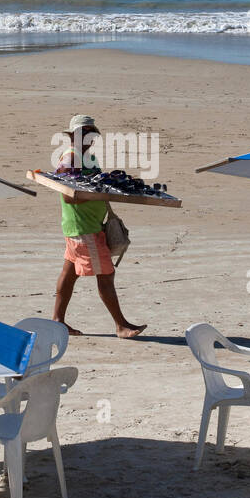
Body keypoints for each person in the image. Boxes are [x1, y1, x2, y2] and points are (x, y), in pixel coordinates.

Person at [51, 114, 146, 339]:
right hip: (84, 228)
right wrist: (100, 193)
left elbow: (91, 186)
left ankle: (57, 321)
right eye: (83, 133)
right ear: (73, 135)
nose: (88, 137)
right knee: (106, 275)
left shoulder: (88, 158)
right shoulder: (70, 158)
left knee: (69, 273)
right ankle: (121, 326)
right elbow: (69, 197)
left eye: (90, 133)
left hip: (83, 225)